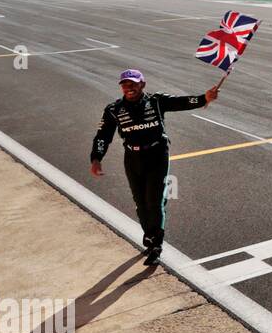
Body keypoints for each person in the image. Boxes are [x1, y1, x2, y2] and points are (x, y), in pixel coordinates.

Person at [89, 70, 219, 265]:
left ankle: (156, 245)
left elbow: (181, 102)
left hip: (157, 155)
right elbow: (102, 136)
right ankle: (150, 236)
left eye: (133, 84)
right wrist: (96, 158)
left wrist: (204, 98)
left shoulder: (156, 101)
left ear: (142, 84)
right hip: (132, 157)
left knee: (155, 201)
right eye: (125, 84)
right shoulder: (113, 110)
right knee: (140, 203)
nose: (129, 87)